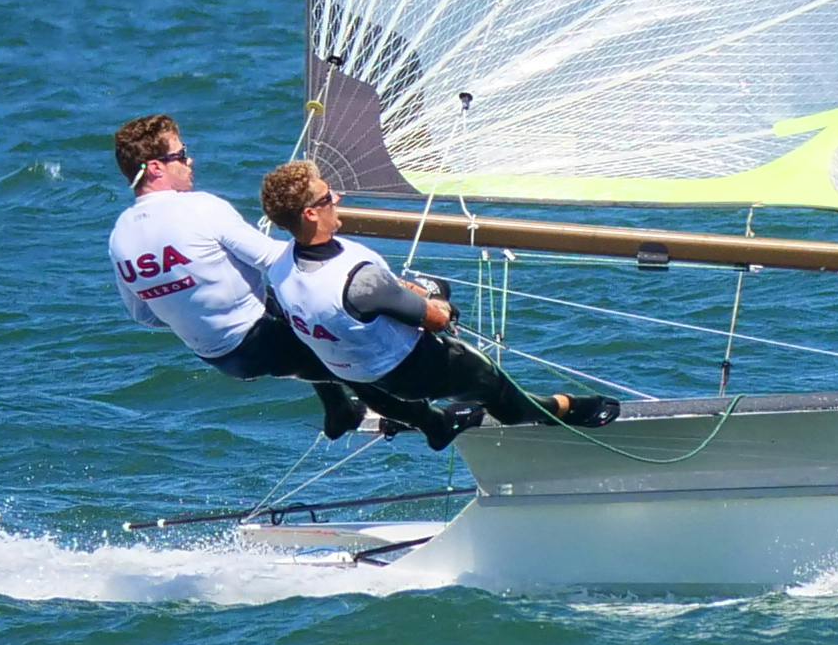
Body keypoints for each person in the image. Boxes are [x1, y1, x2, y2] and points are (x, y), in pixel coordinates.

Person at [255, 161, 615, 446]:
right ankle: (567, 408)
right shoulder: (362, 281)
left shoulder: (280, 269)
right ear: (310, 214)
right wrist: (436, 301)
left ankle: (434, 426)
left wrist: (406, 289)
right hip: (414, 370)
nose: (338, 199)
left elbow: (362, 296)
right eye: (328, 197)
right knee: (499, 395)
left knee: (426, 291)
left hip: (358, 373)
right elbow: (438, 320)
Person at [107, 113, 372, 439]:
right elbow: (275, 258)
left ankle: (338, 410)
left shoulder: (120, 235)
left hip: (218, 357)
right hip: (260, 340)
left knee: (289, 312)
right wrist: (356, 281)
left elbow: (144, 315)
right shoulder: (200, 207)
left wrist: (196, 310)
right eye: (180, 154)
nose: (189, 160)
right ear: (156, 168)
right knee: (352, 351)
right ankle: (429, 420)